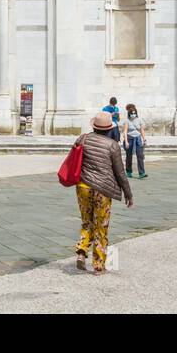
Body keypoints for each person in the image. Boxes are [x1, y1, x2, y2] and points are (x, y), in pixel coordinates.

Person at [74, 112, 134, 273]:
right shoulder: (112, 145)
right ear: (109, 129)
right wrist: (128, 194)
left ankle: (81, 251)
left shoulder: (83, 139)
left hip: (83, 187)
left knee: (87, 221)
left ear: (94, 126)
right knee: (101, 225)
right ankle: (99, 265)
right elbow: (120, 173)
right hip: (103, 190)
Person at [123, 103, 147, 178]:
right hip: (130, 138)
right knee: (129, 156)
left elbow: (142, 130)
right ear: (129, 114)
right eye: (132, 113)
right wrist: (126, 141)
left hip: (138, 138)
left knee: (140, 155)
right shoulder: (127, 121)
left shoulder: (139, 120)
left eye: (134, 113)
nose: (133, 114)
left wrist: (144, 139)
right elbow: (125, 131)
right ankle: (129, 171)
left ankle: (142, 173)